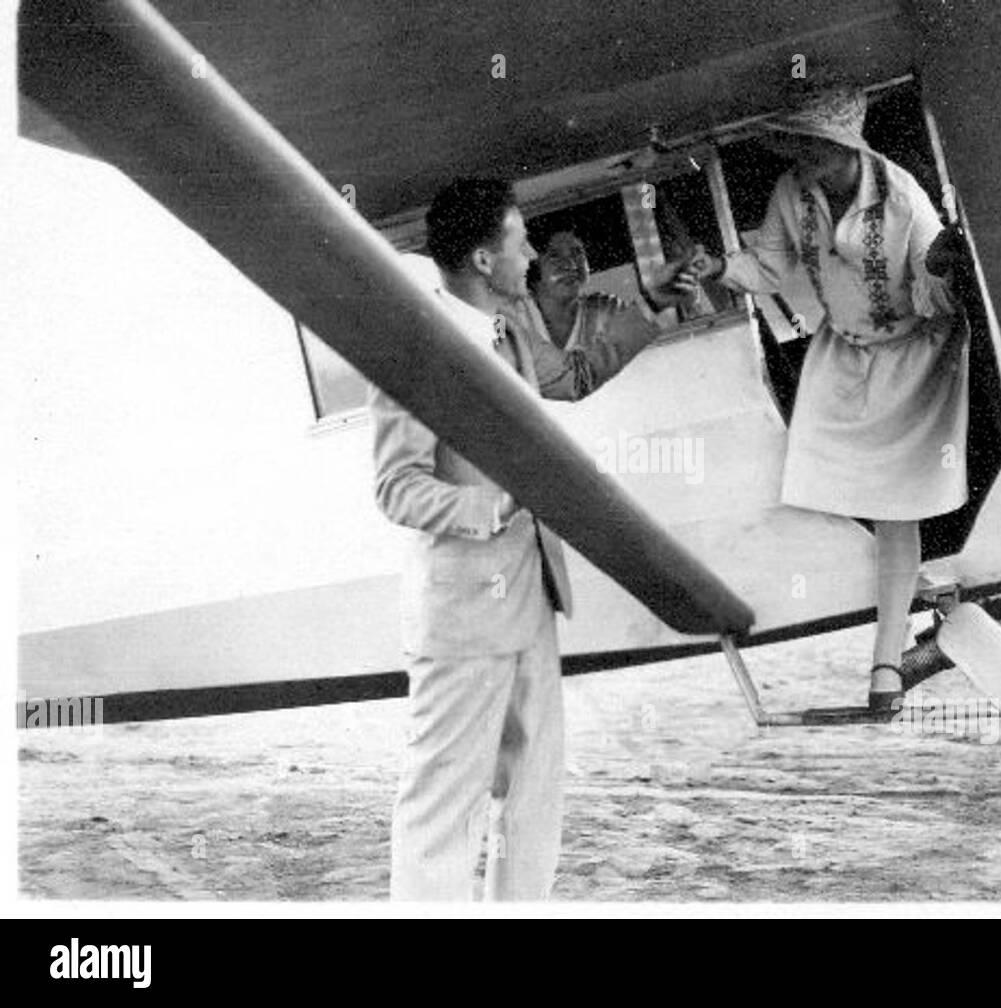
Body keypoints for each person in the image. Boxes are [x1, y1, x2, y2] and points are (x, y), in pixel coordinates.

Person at [370, 177, 694, 901]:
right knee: (442, 811)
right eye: (520, 242)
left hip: (530, 596)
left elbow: (572, 377)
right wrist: (492, 507)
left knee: (534, 797)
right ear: (486, 259)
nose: (531, 255)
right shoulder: (414, 348)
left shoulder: (510, 326)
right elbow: (395, 486)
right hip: (463, 618)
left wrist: (649, 308)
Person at [691, 88, 970, 713]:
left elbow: (933, 289)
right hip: (842, 357)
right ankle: (911, 598)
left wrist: (945, 265)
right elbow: (766, 266)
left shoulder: (902, 197)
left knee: (899, 509)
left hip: (914, 360)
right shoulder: (793, 192)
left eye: (810, 144)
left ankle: (886, 664)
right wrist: (718, 269)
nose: (798, 156)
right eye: (794, 143)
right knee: (818, 489)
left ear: (844, 146)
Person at [511, 228, 671, 396]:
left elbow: (650, 348)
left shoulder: (605, 308)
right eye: (554, 256)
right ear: (533, 268)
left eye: (577, 253)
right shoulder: (514, 316)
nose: (571, 265)